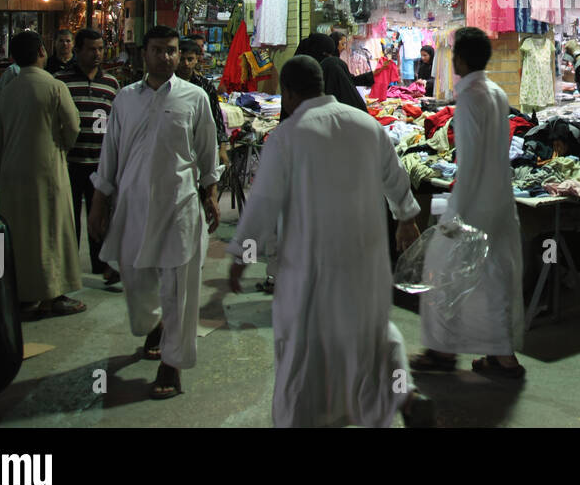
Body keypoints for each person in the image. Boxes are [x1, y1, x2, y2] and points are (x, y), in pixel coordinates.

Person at [226, 56, 432, 427]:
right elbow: (396, 177)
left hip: (310, 267)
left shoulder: (287, 137)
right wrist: (405, 219)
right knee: (370, 335)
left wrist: (242, 255)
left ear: (287, 93)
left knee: (303, 355)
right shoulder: (367, 125)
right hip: (365, 259)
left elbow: (262, 203)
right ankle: (401, 397)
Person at [88, 25, 221, 400]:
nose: (166, 57)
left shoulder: (194, 98)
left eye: (173, 51)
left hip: (179, 204)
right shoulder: (125, 100)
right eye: (159, 50)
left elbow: (207, 153)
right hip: (132, 205)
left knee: (179, 287)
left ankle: (172, 363)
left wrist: (210, 194)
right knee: (135, 278)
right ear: (143, 54)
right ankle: (154, 323)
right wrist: (100, 202)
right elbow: (110, 154)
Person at [411, 27, 525, 378]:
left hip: (474, 205)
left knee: (442, 273)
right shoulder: (493, 92)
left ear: (459, 58)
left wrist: (457, 213)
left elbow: (471, 160)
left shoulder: (470, 98)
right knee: (493, 279)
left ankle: (442, 352)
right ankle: (500, 355)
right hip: (499, 202)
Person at [0, 31, 85, 319]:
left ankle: (24, 296)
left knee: (20, 234)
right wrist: (59, 148)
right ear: (42, 52)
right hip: (47, 169)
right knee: (51, 231)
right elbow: (73, 128)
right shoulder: (55, 87)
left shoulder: (8, 89)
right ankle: (52, 295)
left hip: (12, 171)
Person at [55, 28, 122, 285]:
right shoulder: (61, 81)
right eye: (91, 49)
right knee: (68, 219)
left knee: (101, 217)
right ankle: (67, 272)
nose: (97, 54)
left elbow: (117, 123)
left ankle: (102, 266)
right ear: (78, 50)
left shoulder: (112, 84)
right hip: (69, 163)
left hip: (100, 164)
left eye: (100, 49)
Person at [176, 40, 230, 169]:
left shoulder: (205, 86)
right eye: (182, 59)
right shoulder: (168, 85)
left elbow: (217, 118)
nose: (186, 64)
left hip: (200, 143)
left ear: (197, 60)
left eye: (190, 59)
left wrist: (222, 148)